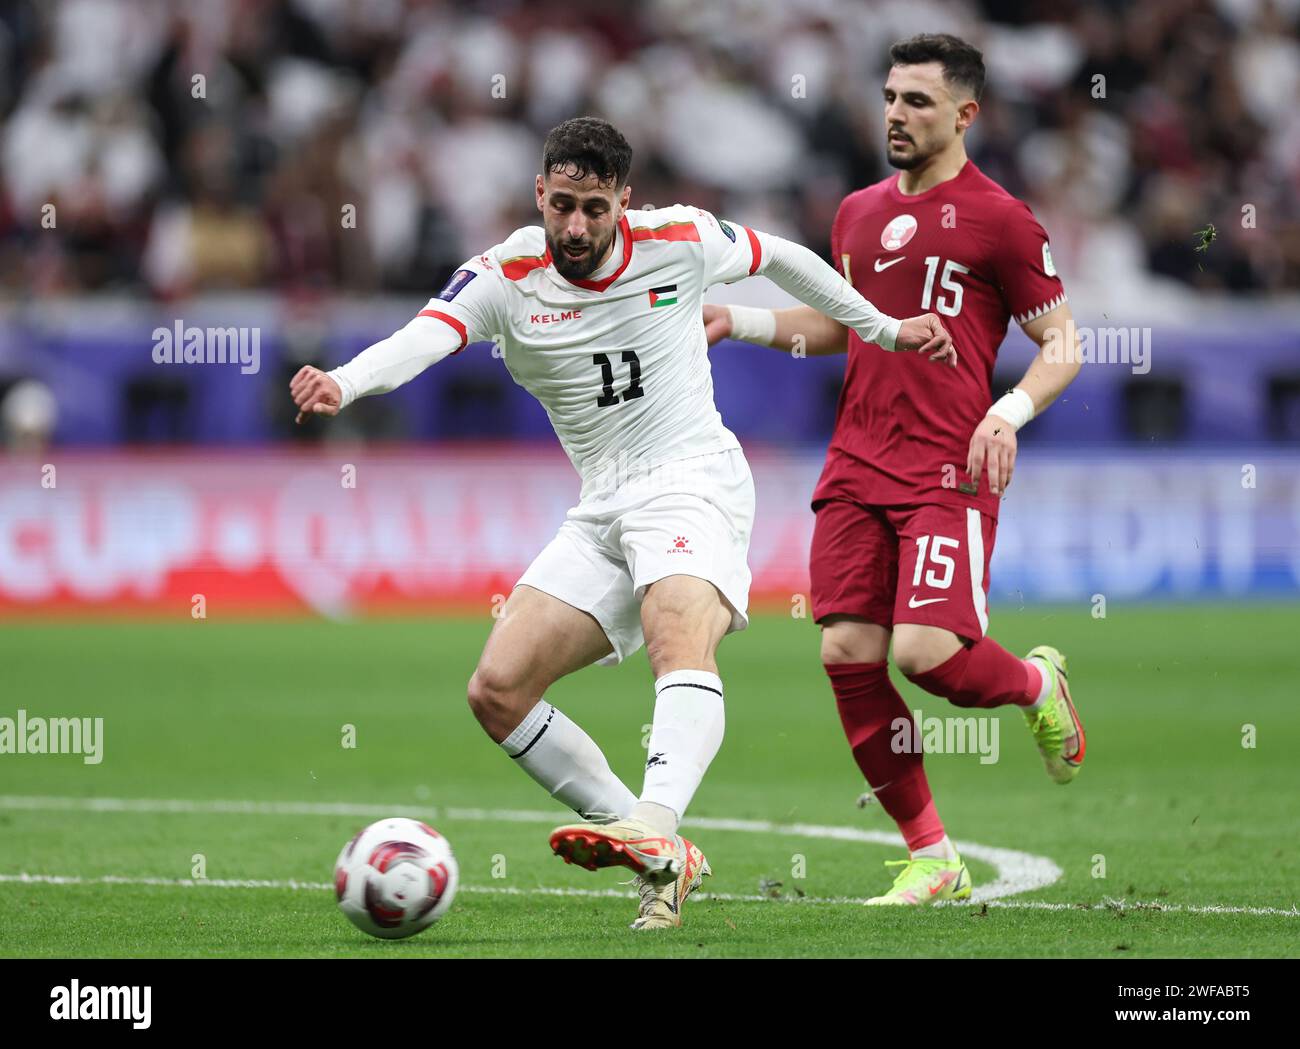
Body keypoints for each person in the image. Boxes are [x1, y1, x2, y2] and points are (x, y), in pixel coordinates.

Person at [290, 116, 954, 929]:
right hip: (602, 501)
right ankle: (654, 846)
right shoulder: (506, 273)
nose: (575, 226)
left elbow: (782, 257)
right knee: (497, 690)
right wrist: (345, 383)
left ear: (622, 202)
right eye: (561, 205)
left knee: (678, 633)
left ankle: (653, 824)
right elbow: (423, 338)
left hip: (691, 480)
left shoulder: (676, 238)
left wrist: (880, 328)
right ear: (539, 193)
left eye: (594, 209)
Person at [704, 34, 1086, 906]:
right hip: (856, 461)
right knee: (847, 650)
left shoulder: (1003, 219)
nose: (896, 114)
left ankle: (1035, 680)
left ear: (965, 114)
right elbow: (846, 325)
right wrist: (745, 319)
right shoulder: (856, 213)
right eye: (890, 97)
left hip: (947, 467)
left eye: (918, 101)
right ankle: (932, 854)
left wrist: (1008, 410)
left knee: (927, 655)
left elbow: (1063, 341)